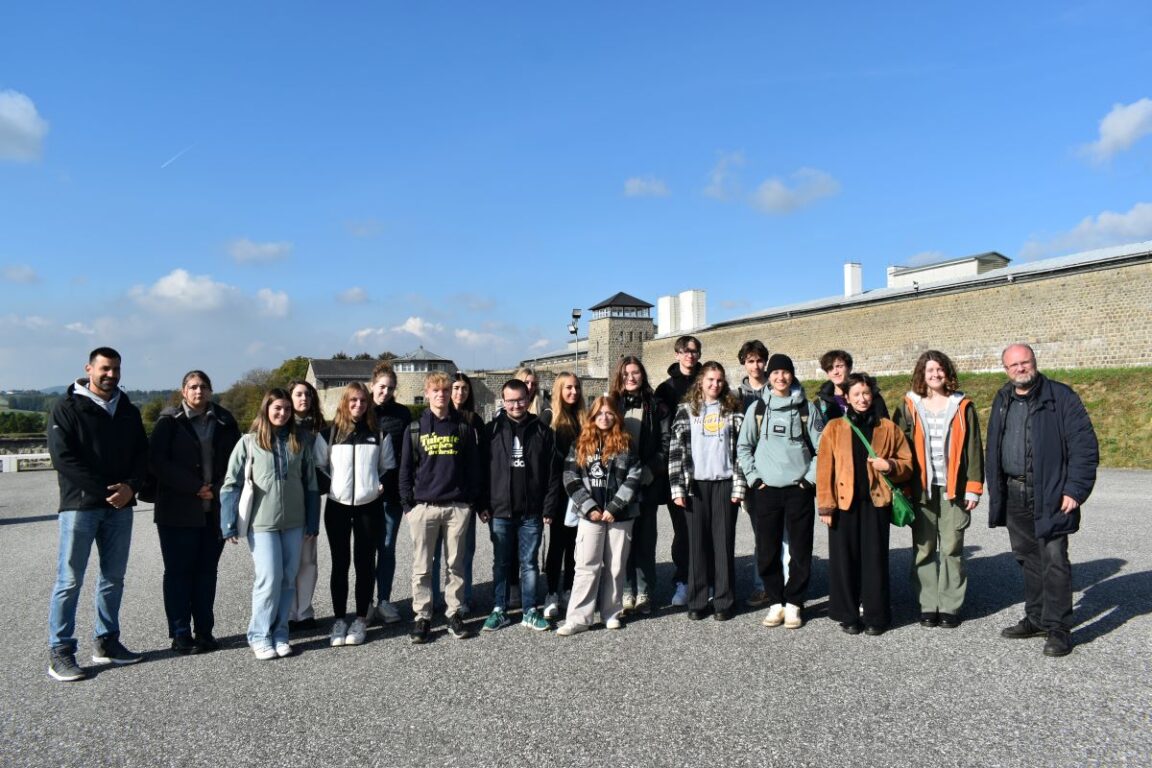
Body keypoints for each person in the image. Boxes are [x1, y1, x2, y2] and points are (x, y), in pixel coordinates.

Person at [985, 343, 1098, 657]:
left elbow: (1084, 447)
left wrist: (1075, 490)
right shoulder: (1003, 399)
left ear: (1034, 362)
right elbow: (993, 445)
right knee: (1027, 559)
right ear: (1006, 370)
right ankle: (1036, 617)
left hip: (1051, 495)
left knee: (1054, 562)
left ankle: (1059, 628)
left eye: (1025, 362)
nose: (1021, 369)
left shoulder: (1061, 397)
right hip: (1014, 493)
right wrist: (997, 490)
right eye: (1014, 365)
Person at [47, 347, 149, 682]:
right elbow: (64, 459)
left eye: (116, 369)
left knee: (113, 578)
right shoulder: (66, 408)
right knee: (70, 579)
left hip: (120, 508)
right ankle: (60, 651)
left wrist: (132, 487)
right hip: (81, 507)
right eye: (105, 368)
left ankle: (107, 642)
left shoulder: (128, 411)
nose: (111, 375)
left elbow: (141, 455)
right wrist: (108, 491)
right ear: (89, 368)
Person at [220, 388, 320, 660]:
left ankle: (280, 633)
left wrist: (313, 521)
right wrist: (228, 522)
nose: (283, 413)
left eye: (287, 409)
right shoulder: (249, 443)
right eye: (277, 408)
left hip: (295, 522)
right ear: (266, 409)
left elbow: (311, 484)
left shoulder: (299, 442)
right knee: (269, 578)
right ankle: (259, 635)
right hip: (261, 524)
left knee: (288, 578)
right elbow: (231, 483)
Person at [149, 370, 241, 655]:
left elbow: (237, 460)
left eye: (203, 387)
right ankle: (180, 634)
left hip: (213, 511)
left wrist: (214, 488)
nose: (198, 391)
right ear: (183, 391)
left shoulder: (225, 421)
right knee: (178, 574)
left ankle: (204, 631)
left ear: (210, 390)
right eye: (193, 387)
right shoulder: (168, 423)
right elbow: (158, 463)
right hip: (177, 512)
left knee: (206, 574)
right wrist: (194, 487)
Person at [816, 373, 913, 636]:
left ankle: (876, 615)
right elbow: (824, 470)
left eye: (866, 393)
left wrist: (890, 465)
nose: (862, 398)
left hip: (876, 503)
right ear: (846, 398)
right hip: (844, 504)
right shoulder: (834, 428)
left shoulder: (888, 427)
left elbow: (907, 463)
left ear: (873, 395)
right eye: (856, 394)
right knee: (844, 561)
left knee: (875, 560)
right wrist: (826, 506)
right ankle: (847, 614)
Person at [892, 351, 983, 629]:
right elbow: (899, 447)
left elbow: (974, 449)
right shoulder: (909, 405)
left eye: (940, 369)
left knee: (952, 548)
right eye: (930, 370)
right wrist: (902, 485)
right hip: (921, 490)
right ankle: (927, 603)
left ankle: (950, 606)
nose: (935, 374)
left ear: (947, 373)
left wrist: (973, 488)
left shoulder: (962, 405)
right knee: (924, 548)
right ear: (922, 374)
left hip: (953, 490)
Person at [736, 353, 821, 629]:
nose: (780, 377)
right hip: (766, 489)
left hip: (799, 489)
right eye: (775, 373)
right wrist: (754, 478)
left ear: (792, 375)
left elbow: (823, 450)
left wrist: (809, 480)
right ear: (769, 377)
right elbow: (743, 447)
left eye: (785, 372)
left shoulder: (807, 408)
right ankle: (775, 602)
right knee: (767, 549)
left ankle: (794, 603)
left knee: (800, 549)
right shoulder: (757, 409)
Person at [399, 371, 482, 644]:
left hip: (456, 507)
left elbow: (473, 467)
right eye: (436, 391)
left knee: (455, 566)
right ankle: (422, 616)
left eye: (445, 391)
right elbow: (406, 471)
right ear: (428, 392)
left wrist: (468, 502)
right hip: (424, 507)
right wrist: (408, 507)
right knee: (422, 567)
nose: (441, 395)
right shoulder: (415, 428)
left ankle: (453, 613)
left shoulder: (462, 427)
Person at [315, 383, 396, 647]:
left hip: (368, 506)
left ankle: (361, 618)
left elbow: (388, 467)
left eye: (363, 401)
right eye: (353, 400)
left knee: (364, 564)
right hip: (337, 507)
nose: (358, 405)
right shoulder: (328, 435)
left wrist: (379, 485)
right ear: (344, 402)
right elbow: (319, 467)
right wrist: (333, 488)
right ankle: (339, 619)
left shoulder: (378, 434)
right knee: (340, 564)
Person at [478, 379, 560, 632]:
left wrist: (549, 507)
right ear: (503, 401)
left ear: (529, 398)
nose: (516, 405)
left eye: (521, 399)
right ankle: (499, 609)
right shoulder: (491, 431)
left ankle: (530, 610)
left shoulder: (543, 431)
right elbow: (481, 471)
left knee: (530, 563)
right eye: (511, 400)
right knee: (501, 562)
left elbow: (553, 474)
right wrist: (482, 503)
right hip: (500, 510)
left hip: (531, 511)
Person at [668, 361, 747, 621]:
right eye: (711, 380)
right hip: (695, 486)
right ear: (701, 381)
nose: (715, 384)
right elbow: (676, 452)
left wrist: (739, 486)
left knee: (723, 544)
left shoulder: (733, 410)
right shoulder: (685, 410)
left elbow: (740, 451)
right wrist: (677, 487)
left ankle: (724, 601)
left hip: (724, 483)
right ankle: (698, 600)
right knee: (696, 544)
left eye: (720, 380)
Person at [556, 396, 642, 636]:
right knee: (586, 565)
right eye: (599, 414)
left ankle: (611, 612)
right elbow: (569, 477)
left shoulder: (626, 443)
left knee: (615, 566)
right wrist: (589, 506)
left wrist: (614, 507)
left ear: (616, 416)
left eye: (609, 413)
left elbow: (634, 477)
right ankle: (578, 618)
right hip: (589, 515)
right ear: (592, 417)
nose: (604, 418)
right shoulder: (580, 444)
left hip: (619, 515)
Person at [609, 356, 667, 617]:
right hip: (618, 485)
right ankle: (626, 589)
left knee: (644, 540)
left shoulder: (656, 406)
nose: (631, 378)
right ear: (619, 377)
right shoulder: (611, 405)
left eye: (635, 373)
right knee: (622, 542)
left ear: (643, 375)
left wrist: (650, 470)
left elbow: (666, 444)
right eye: (626, 374)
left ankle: (644, 590)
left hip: (646, 482)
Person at [428, 372, 483, 614]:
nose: (459, 393)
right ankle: (433, 600)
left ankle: (463, 598)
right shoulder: (436, 418)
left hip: (462, 497)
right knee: (433, 555)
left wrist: (475, 497)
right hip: (436, 495)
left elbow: (479, 461)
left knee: (463, 552)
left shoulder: (473, 421)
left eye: (464, 389)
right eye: (456, 388)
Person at [654, 334, 702, 606]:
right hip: (679, 466)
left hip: (707, 466)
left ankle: (703, 579)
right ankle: (682, 580)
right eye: (685, 351)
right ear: (677, 354)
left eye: (694, 351)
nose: (689, 355)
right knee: (682, 530)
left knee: (704, 529)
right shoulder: (666, 389)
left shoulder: (708, 381)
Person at [369, 363, 411, 625]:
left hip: (391, 493)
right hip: (363, 494)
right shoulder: (361, 410)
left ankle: (384, 599)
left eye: (390, 388)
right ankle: (366, 604)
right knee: (365, 550)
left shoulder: (402, 414)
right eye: (382, 386)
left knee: (386, 548)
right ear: (372, 384)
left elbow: (407, 455)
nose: (385, 391)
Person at [540, 372, 584, 620]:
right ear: (559, 390)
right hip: (557, 492)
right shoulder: (549, 418)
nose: (574, 392)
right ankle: (551, 593)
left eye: (576, 387)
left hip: (579, 489)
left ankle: (569, 588)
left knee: (575, 544)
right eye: (568, 388)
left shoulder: (583, 417)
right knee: (557, 544)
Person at [286, 379, 326, 631]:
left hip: (310, 498)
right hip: (287, 501)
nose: (304, 399)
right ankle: (289, 612)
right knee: (289, 560)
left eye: (308, 395)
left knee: (308, 559)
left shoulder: (319, 430)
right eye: (299, 394)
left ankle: (305, 610)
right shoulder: (280, 427)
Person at [736, 339, 773, 608]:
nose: (756, 365)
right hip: (751, 472)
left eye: (759, 360)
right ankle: (763, 585)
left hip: (778, 468)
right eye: (750, 360)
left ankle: (782, 584)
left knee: (783, 531)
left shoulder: (779, 389)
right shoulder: (736, 396)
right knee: (761, 530)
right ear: (744, 363)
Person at [813, 350, 888, 422]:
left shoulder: (870, 395)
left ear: (849, 368)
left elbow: (886, 427)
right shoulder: (821, 403)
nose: (835, 372)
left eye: (839, 366)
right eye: (830, 368)